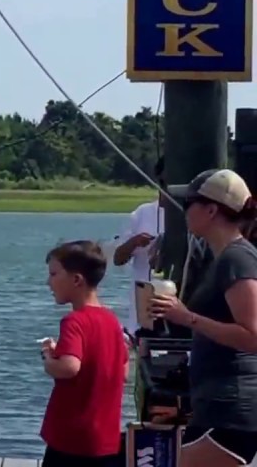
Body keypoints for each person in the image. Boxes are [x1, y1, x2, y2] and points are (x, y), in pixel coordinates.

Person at [149, 169, 257, 467]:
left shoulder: (238, 259)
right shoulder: (222, 258)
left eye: (189, 203)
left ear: (211, 210)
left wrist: (187, 317)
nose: (183, 210)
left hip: (232, 410)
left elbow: (252, 335)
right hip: (215, 406)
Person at [39, 240, 127, 467]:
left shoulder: (74, 321)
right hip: (105, 441)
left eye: (54, 274)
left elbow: (70, 367)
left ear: (76, 280)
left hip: (72, 441)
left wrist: (49, 359)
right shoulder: (111, 321)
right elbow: (123, 369)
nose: (48, 282)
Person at [112, 157, 166, 336]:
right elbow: (118, 259)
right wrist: (134, 242)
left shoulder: (192, 215)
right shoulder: (142, 213)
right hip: (142, 313)